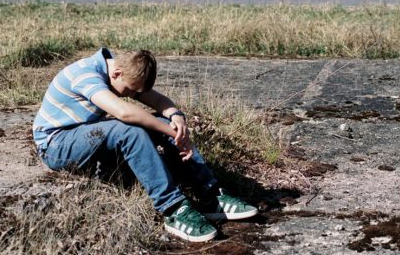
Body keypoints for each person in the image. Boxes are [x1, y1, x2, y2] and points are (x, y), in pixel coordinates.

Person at [32, 48, 257, 242]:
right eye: (130, 90)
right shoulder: (85, 76)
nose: (132, 95)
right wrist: (173, 133)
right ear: (117, 74)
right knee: (129, 129)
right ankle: (173, 209)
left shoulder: (120, 70)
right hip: (55, 145)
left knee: (159, 121)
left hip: (84, 136)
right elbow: (124, 112)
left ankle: (210, 195)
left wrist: (176, 118)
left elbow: (159, 102)